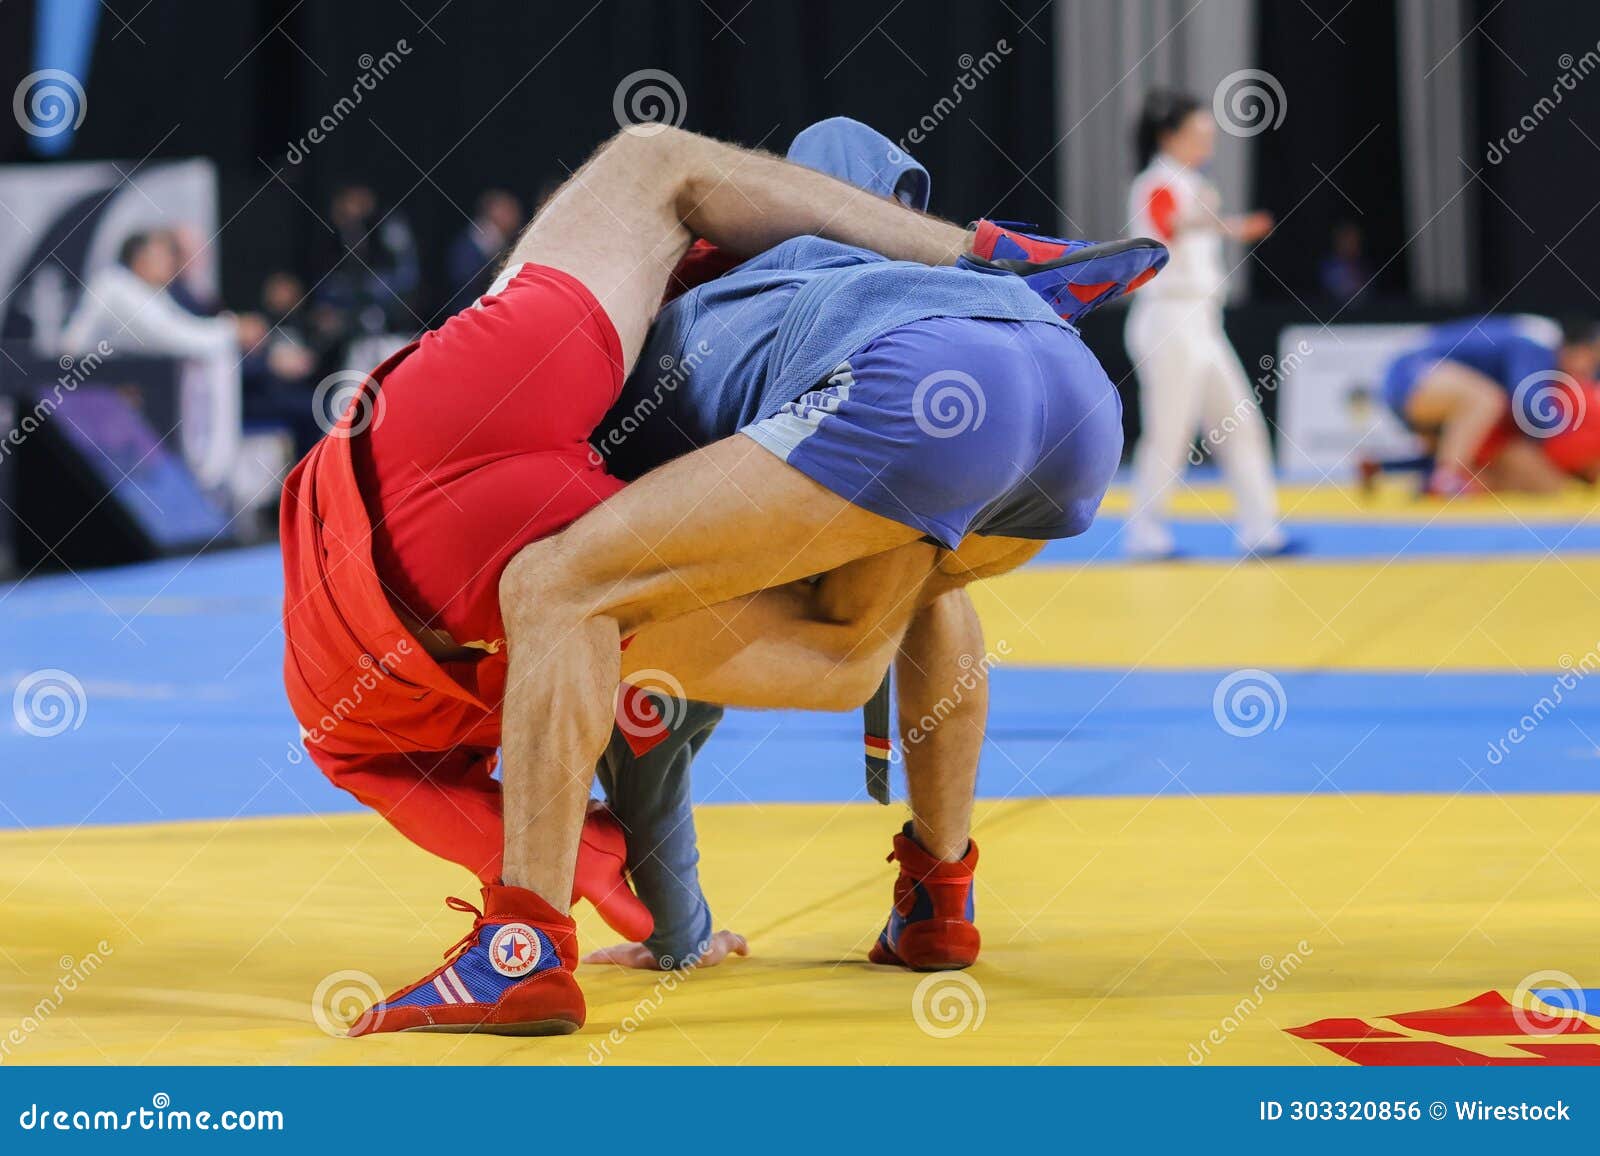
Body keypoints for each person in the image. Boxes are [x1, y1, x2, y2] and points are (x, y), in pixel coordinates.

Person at [287, 116, 1163, 1037]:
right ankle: (939, 897)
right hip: (1072, 406)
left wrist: (674, 921)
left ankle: (522, 951)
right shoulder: (830, 277)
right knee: (921, 571)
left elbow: (648, 708)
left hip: (895, 387)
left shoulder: (694, 301)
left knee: (569, 594)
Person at [1122, 89, 1290, 560]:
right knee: (1170, 430)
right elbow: (1168, 221)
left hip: (1203, 322)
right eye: (1198, 133)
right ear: (1170, 136)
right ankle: (1145, 532)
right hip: (1168, 320)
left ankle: (1261, 528)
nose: (1207, 141)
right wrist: (1224, 223)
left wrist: (1220, 220)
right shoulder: (1155, 182)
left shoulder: (1193, 183)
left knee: (1240, 421)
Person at [59, 229, 264, 492]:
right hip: (76, 402)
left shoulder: (152, 292)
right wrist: (234, 328)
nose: (171, 262)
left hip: (119, 400)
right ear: (139, 258)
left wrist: (231, 328)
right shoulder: (116, 287)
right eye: (163, 255)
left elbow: (186, 329)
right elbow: (175, 337)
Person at [1373, 316, 1600, 495]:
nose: (1590, 373)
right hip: (1414, 374)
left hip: (1417, 384)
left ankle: (1384, 468)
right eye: (1591, 360)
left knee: (1476, 446)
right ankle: (1446, 479)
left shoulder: (1533, 342)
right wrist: (1572, 441)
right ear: (1575, 349)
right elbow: (1528, 402)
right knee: (1486, 400)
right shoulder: (1538, 346)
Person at [442, 189, 524, 318]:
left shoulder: (504, 242)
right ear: (492, 211)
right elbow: (463, 279)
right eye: (507, 211)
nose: (515, 216)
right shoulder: (472, 242)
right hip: (467, 313)